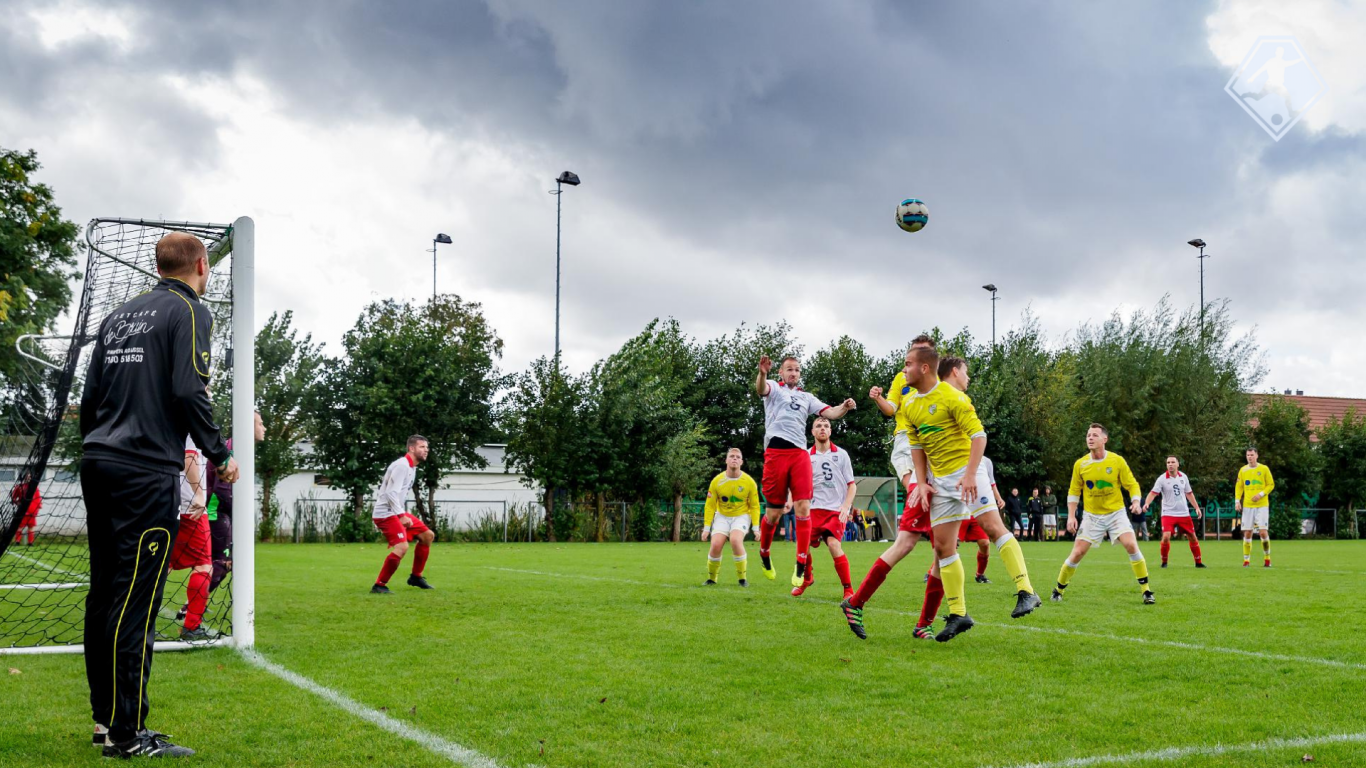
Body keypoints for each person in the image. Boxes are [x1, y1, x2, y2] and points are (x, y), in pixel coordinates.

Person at [79, 231, 239, 757]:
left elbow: (92, 396)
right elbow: (189, 390)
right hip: (144, 470)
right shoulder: (190, 311)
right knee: (136, 601)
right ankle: (127, 734)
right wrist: (220, 454)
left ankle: (105, 721)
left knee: (104, 593)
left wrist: (97, 448)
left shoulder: (119, 316)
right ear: (201, 264)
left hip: (98, 461)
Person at [847, 348, 1039, 642]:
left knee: (991, 527)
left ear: (925, 368)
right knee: (943, 548)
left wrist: (971, 474)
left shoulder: (953, 397)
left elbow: (979, 437)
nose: (903, 370)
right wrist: (922, 483)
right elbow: (917, 448)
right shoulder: (909, 404)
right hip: (939, 482)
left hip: (967, 474)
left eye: (908, 365)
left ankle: (1026, 591)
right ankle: (958, 613)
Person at [840, 343, 945, 640]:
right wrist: (877, 400)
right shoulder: (907, 385)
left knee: (934, 548)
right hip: (911, 450)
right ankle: (860, 603)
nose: (907, 365)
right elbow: (893, 411)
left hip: (933, 460)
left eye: (914, 358)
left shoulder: (939, 388)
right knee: (927, 545)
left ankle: (926, 621)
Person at [754, 355, 856, 587]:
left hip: (799, 454)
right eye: (789, 369)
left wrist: (845, 407)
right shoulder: (774, 389)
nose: (793, 373)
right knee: (774, 514)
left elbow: (829, 412)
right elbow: (761, 389)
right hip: (776, 453)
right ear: (780, 373)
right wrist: (762, 373)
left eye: (797, 370)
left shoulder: (806, 397)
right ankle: (764, 553)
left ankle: (801, 563)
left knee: (803, 505)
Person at [1051, 424, 1154, 606]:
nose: (1090, 438)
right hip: (1092, 516)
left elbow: (1131, 484)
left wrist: (1136, 501)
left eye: (1095, 435)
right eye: (1088, 435)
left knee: (1131, 544)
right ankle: (1058, 590)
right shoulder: (1080, 464)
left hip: (1116, 513)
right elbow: (1074, 492)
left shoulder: (1117, 461)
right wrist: (1072, 516)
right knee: (1077, 552)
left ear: (1104, 439)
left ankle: (1146, 591)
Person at [792, 417, 858, 598]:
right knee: (803, 547)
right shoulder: (805, 456)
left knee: (833, 544)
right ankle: (807, 578)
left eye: (826, 426)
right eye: (818, 426)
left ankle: (848, 589)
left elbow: (852, 484)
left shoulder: (841, 455)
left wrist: (846, 507)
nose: (822, 428)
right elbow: (797, 483)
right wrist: (791, 500)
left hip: (835, 511)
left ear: (830, 431)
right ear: (812, 432)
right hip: (812, 510)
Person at [370, 435, 436, 593]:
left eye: (427, 447)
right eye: (422, 447)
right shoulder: (402, 466)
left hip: (395, 511)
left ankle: (416, 577)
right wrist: (401, 515)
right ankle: (379, 585)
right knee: (402, 547)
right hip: (385, 513)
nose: (426, 450)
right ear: (411, 448)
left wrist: (400, 513)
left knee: (427, 535)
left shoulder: (411, 467)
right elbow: (391, 493)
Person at [166, 435, 214, 641]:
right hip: (189, 508)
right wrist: (199, 494)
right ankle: (192, 627)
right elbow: (189, 457)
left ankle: (132, 620)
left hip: (164, 502)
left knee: (161, 565)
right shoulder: (189, 423)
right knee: (203, 566)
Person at [701, 448, 761, 586]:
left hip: (741, 516)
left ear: (741, 461)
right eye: (731, 456)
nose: (734, 458)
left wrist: (756, 528)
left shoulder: (749, 482)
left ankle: (742, 579)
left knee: (735, 540)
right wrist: (706, 528)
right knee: (715, 544)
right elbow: (710, 506)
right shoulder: (717, 481)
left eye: (737, 457)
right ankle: (712, 579)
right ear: (726, 460)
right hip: (722, 516)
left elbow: (755, 506)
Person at [1142, 456, 1205, 568]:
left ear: (1177, 464)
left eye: (1172, 462)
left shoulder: (1183, 477)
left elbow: (1189, 493)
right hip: (1168, 513)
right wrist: (1147, 503)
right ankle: (1164, 562)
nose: (1170, 464)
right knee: (1166, 536)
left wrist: (1196, 508)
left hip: (1183, 513)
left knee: (1192, 536)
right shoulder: (1162, 479)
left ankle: (1198, 562)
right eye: (1168, 462)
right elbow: (1153, 493)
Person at [1235, 447, 1275, 567]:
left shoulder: (1264, 469)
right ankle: (1246, 560)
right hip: (1247, 506)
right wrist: (1237, 501)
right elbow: (1239, 486)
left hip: (1262, 506)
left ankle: (1267, 558)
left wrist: (1261, 494)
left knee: (1263, 533)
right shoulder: (1243, 470)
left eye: (1252, 455)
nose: (1250, 457)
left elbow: (1271, 484)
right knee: (1247, 533)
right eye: (1248, 455)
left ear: (1257, 455)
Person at [9, 471, 41, 546]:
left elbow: (38, 499)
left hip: (32, 511)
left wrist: (37, 509)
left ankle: (30, 542)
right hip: (22, 511)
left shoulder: (34, 487)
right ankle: (17, 542)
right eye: (27, 476)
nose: (28, 478)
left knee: (31, 527)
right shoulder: (19, 487)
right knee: (20, 527)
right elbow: (13, 498)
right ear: (24, 477)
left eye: (29, 477)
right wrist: (17, 503)